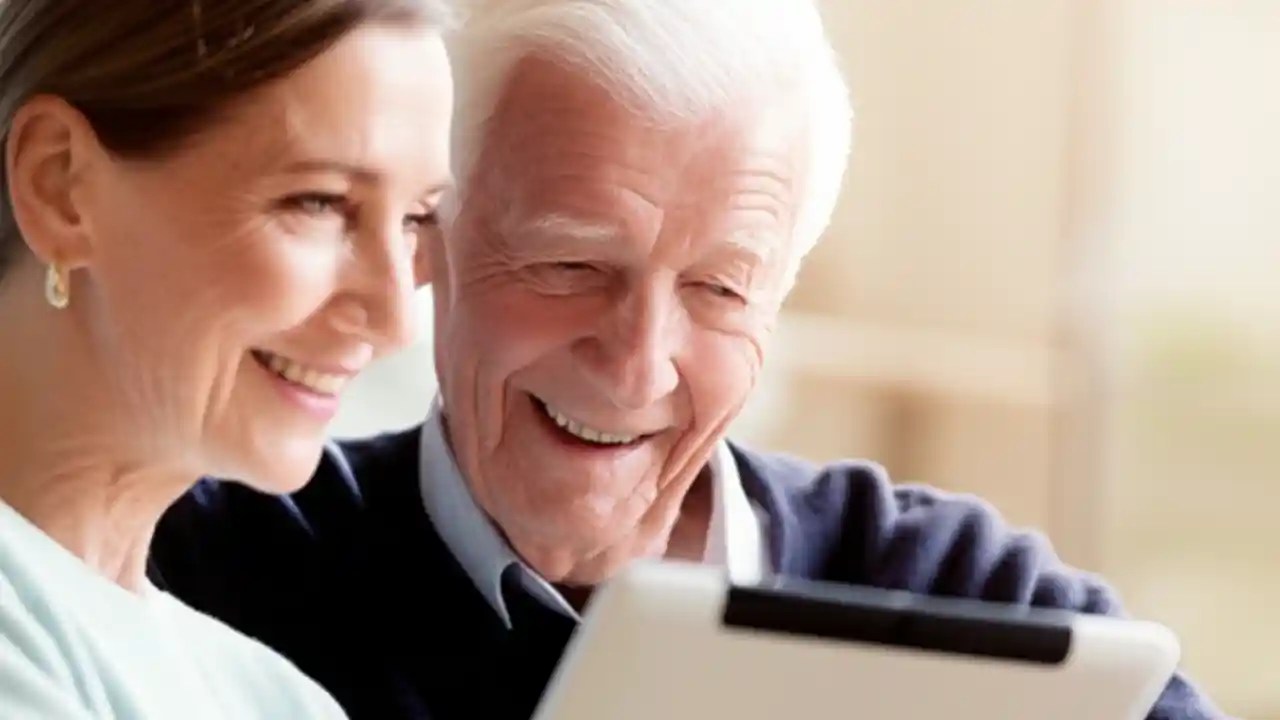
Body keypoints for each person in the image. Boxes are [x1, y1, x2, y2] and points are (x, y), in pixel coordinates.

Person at [150, 1, 1225, 718]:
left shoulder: (965, 604)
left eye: (717, 289)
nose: (634, 366)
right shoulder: (208, 570)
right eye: (571, 263)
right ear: (431, 231)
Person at [0, 1, 454, 718]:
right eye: (320, 202)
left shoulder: (281, 699)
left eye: (415, 220)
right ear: (59, 185)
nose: (397, 319)